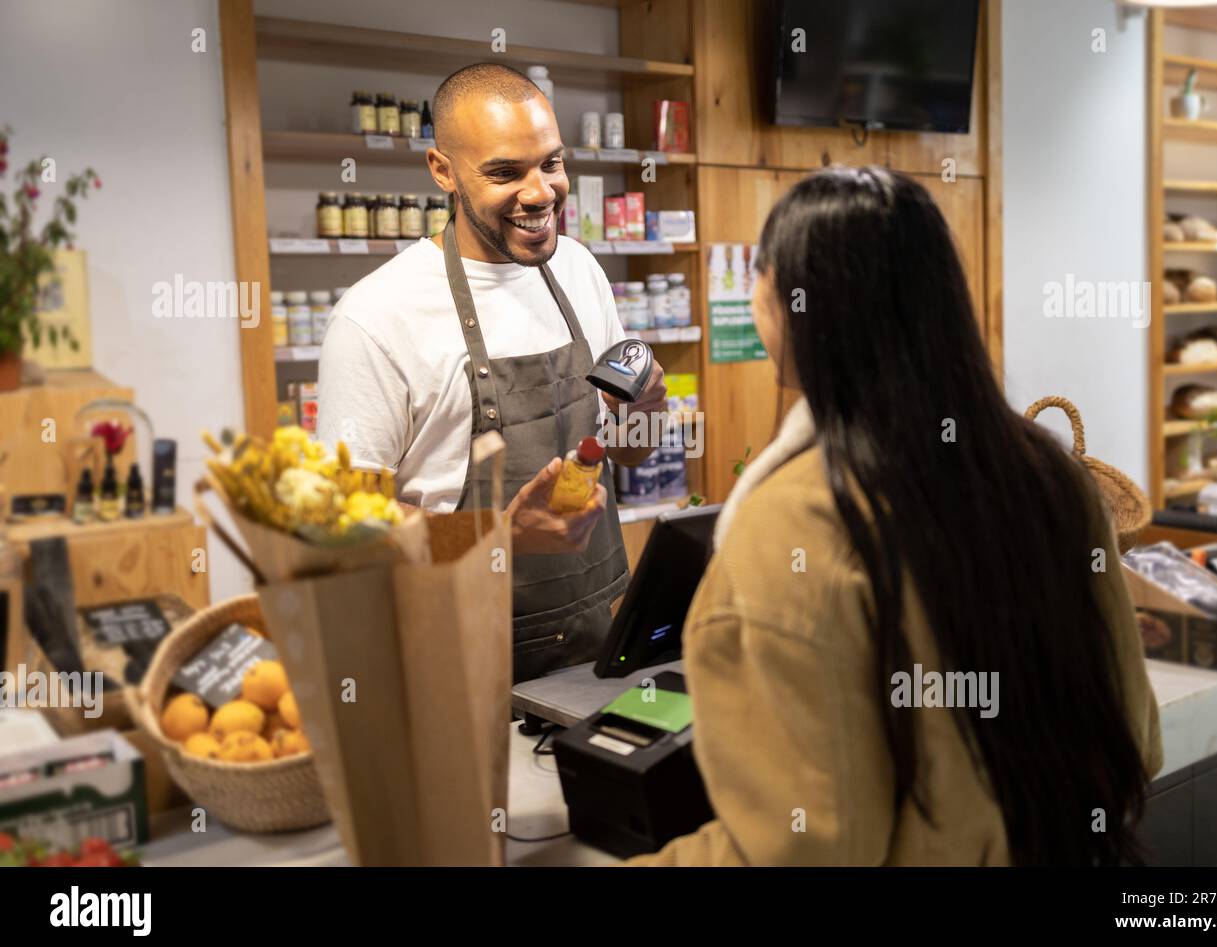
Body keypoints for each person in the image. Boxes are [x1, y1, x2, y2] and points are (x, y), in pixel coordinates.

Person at [628, 166, 1163, 866]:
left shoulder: (794, 525)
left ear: (787, 303)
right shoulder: (1049, 473)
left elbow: (809, 846)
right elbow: (1136, 738)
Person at [317, 64, 666, 682]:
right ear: (442, 170)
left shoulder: (581, 271)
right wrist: (501, 535)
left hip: (594, 633)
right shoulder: (377, 317)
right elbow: (351, 531)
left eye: (551, 164)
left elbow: (630, 457)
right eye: (506, 172)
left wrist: (647, 414)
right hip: (453, 649)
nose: (540, 193)